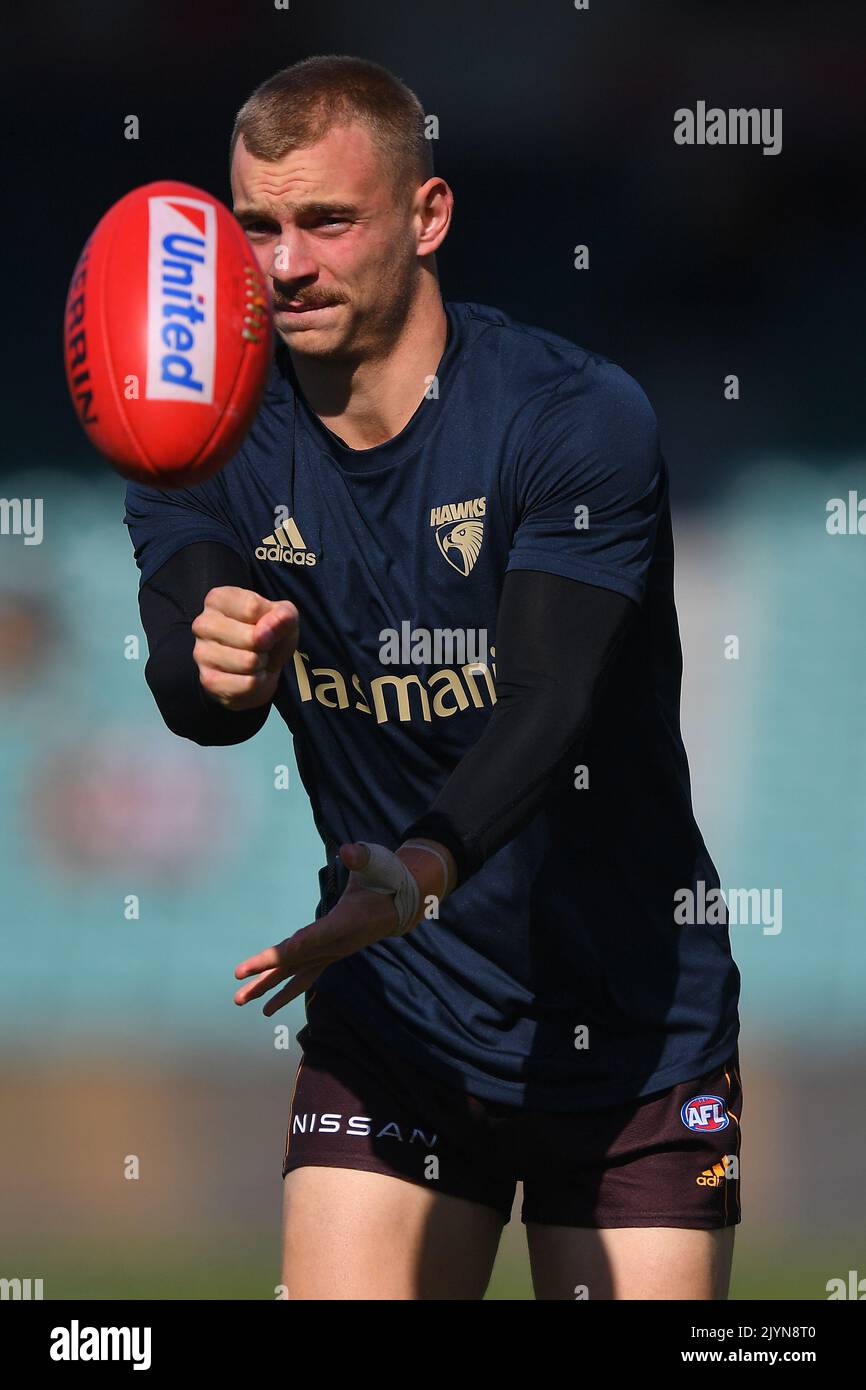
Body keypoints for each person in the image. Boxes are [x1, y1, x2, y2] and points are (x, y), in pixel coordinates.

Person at [125, 54, 742, 1301]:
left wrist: (416, 869)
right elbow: (191, 683)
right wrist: (216, 661)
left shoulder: (573, 418)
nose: (284, 263)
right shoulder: (200, 426)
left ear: (427, 216)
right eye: (256, 226)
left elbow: (547, 703)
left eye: (325, 221)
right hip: (391, 1013)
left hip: (630, 1030)